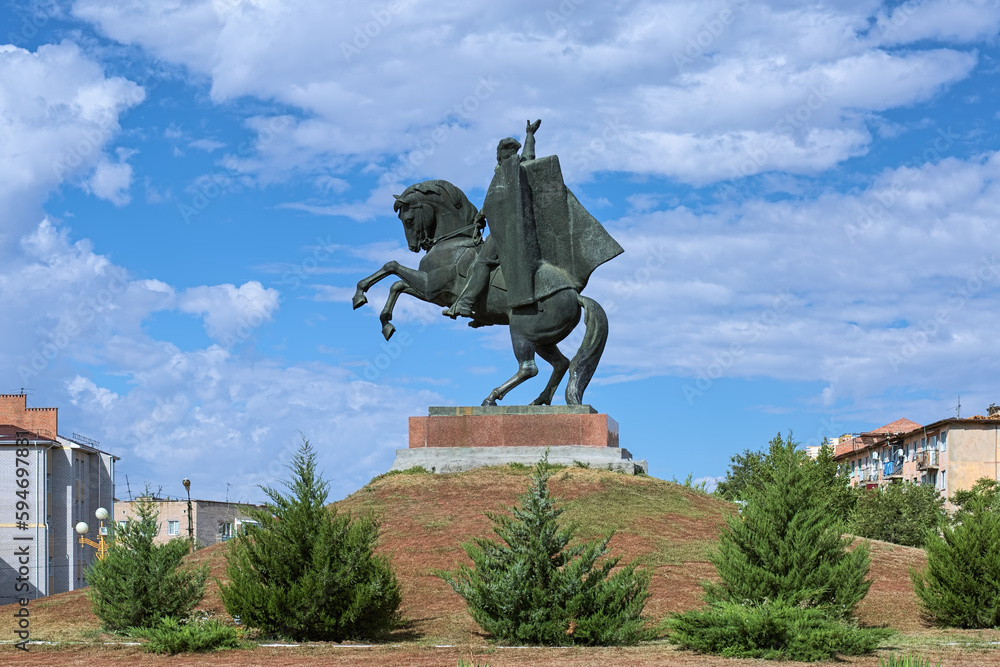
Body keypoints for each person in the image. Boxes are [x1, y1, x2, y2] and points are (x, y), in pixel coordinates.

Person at [443, 119, 541, 319]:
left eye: (503, 153)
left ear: (501, 155)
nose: (503, 156)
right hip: (504, 227)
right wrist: (530, 135)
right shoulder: (508, 170)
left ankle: (465, 303)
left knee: (482, 263)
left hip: (505, 231)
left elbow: (528, 158)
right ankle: (484, 314)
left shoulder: (512, 169)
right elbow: (495, 200)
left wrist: (530, 137)